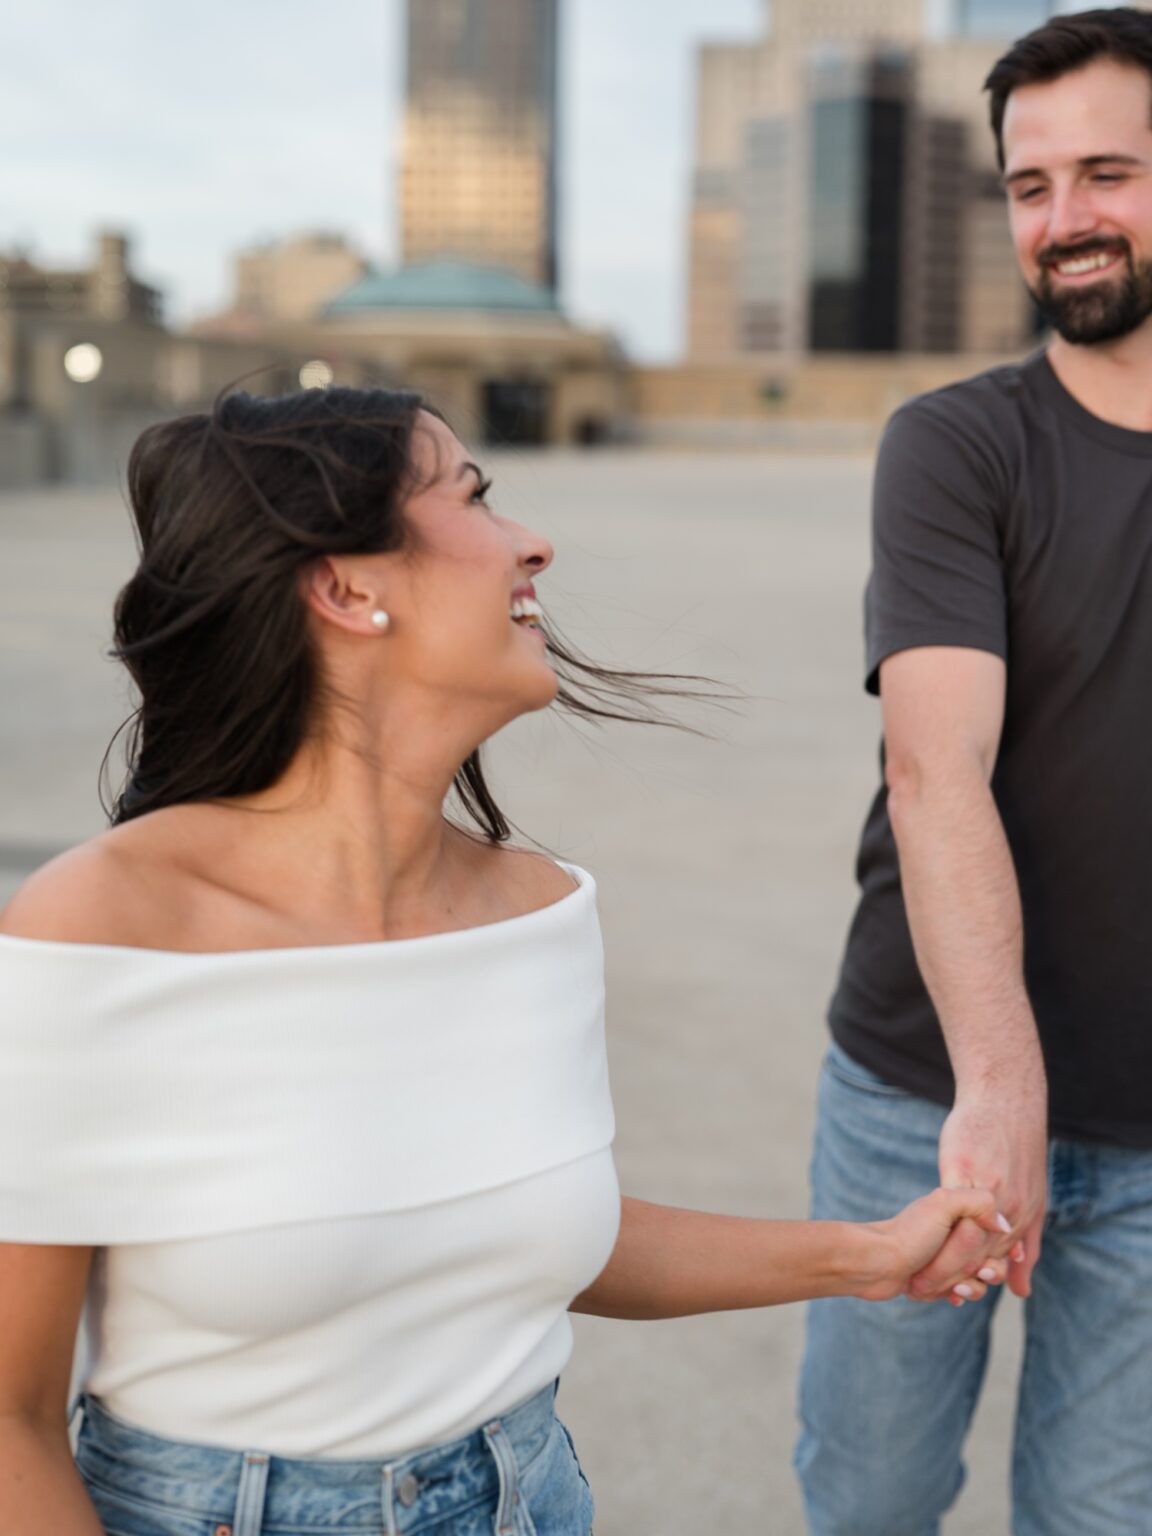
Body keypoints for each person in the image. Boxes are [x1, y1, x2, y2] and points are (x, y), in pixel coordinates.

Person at [0, 389, 1006, 1536]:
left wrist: (868, 1255)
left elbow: (523, 1232)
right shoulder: (99, 929)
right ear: (346, 586)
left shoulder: (534, 910)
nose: (535, 541)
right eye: (474, 498)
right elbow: (10, 1421)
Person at [796, 9, 1152, 1535]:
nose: (1062, 221)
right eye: (1029, 186)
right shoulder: (956, 448)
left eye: (1108, 174)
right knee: (871, 1504)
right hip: (920, 1092)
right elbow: (938, 769)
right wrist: (998, 1082)